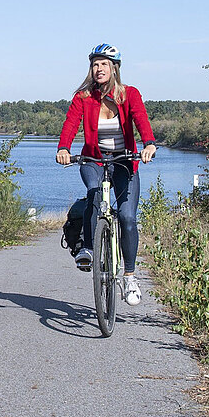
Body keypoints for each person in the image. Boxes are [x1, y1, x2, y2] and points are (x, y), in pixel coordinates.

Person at [56, 43, 156, 306]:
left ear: (114, 68)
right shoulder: (83, 97)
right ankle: (88, 248)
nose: (98, 69)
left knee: (127, 216)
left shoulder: (129, 94)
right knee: (94, 193)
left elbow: (140, 118)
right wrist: (64, 148)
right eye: (95, 64)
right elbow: (70, 123)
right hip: (94, 159)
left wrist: (149, 144)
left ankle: (130, 277)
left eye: (104, 64)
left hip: (125, 161)